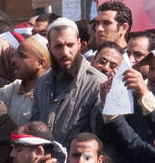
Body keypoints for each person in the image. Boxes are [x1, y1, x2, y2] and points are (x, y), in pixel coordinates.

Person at [32, 17, 107, 147]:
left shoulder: (97, 83)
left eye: (70, 45)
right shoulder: (43, 82)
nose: (65, 52)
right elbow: (35, 127)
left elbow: (101, 136)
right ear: (49, 47)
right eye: (58, 46)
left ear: (79, 44)